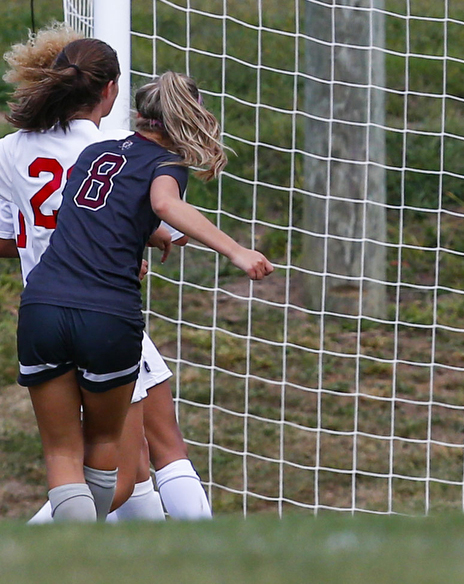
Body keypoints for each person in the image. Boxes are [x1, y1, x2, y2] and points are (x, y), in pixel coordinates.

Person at [3, 44, 272, 521]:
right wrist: (235, 249)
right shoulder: (145, 159)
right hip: (106, 310)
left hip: (41, 303)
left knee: (83, 461)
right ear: (110, 89)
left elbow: (71, 215)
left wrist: (142, 232)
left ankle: (129, 560)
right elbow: (163, 204)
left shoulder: (59, 151)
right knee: (139, 460)